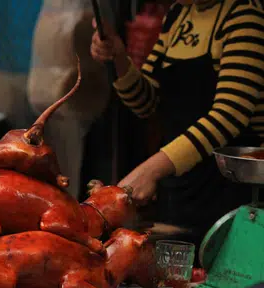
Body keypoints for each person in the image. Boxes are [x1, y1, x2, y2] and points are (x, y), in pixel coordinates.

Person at [90, 0, 264, 247]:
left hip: (230, 195)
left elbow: (229, 115)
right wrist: (119, 57)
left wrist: (151, 170)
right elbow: (147, 102)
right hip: (181, 192)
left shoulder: (244, 16)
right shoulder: (179, 15)